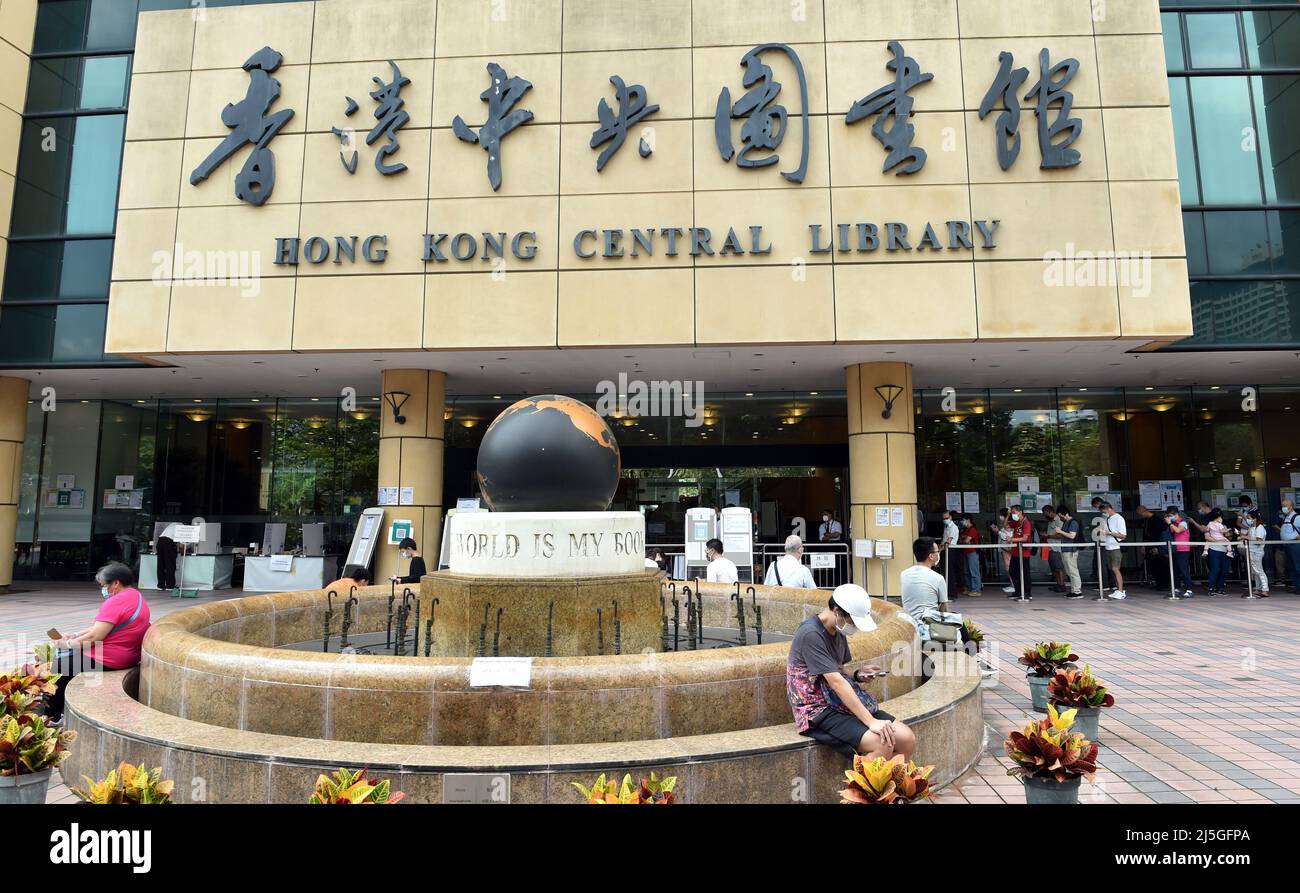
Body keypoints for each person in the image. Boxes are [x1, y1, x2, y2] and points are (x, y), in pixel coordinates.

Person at [786, 584, 917, 760]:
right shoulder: (811, 633)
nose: (853, 627)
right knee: (883, 742)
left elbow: (838, 669)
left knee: (907, 739)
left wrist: (857, 675)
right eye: (852, 621)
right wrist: (871, 722)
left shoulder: (838, 631)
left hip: (838, 703)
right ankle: (867, 787)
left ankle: (894, 785)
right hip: (817, 710)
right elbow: (836, 682)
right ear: (837, 611)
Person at [46, 563, 151, 724]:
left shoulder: (116, 602)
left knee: (61, 666)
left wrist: (66, 645)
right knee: (67, 661)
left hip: (111, 658)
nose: (102, 590)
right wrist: (74, 635)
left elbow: (96, 636)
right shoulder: (135, 596)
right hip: (128, 654)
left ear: (116, 583)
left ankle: (51, 717)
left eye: (103, 585)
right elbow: (100, 628)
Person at [900, 537, 947, 627]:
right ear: (931, 556)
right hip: (930, 626)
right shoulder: (938, 578)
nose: (938, 554)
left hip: (909, 623)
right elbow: (944, 609)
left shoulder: (904, 574)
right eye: (937, 552)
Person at [1099, 502, 1127, 600]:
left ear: (1109, 508)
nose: (1104, 513)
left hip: (1116, 547)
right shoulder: (1108, 519)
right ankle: (1118, 590)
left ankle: (1120, 591)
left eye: (1104, 511)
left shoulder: (1119, 519)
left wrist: (1109, 533)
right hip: (1108, 547)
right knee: (1112, 569)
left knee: (1115, 569)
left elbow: (1123, 535)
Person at [1055, 505, 1084, 598]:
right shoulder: (1066, 522)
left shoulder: (1073, 522)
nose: (1060, 518)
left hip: (1071, 550)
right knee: (1069, 571)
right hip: (1065, 550)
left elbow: (1072, 536)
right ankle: (1074, 590)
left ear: (1066, 514)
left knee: (1073, 571)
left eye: (1061, 516)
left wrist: (1060, 531)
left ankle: (1077, 591)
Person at [1137, 505, 1168, 591]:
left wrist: (1157, 547)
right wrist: (1143, 545)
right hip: (1149, 545)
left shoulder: (1156, 520)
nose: (1140, 516)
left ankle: (1163, 584)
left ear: (1144, 511)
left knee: (1160, 565)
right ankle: (1158, 583)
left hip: (1157, 546)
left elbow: (1160, 534)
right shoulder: (1146, 520)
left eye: (1140, 514)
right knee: (1153, 565)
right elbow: (1145, 534)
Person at [1203, 508, 1233, 596]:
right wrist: (1218, 540)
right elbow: (1207, 537)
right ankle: (1211, 588)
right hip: (1214, 550)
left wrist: (1229, 533)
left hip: (1224, 551)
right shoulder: (1210, 524)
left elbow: (1229, 537)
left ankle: (1220, 588)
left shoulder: (1223, 526)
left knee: (1224, 570)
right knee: (1215, 570)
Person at [1007, 504, 1034, 599]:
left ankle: (1027, 593)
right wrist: (1008, 515)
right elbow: (1006, 525)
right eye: (1012, 512)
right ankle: (1018, 591)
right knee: (1013, 571)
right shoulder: (1017, 522)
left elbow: (1025, 538)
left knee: (1024, 573)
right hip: (1015, 552)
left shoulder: (1026, 522)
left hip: (1024, 553)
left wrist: (1012, 539)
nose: (1013, 514)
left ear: (1020, 512)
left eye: (1014, 512)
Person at [1166, 506, 1193, 598]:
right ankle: (1176, 588)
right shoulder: (1174, 523)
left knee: (1183, 569)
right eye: (1168, 516)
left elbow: (1178, 530)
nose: (1169, 517)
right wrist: (1170, 524)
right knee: (1175, 569)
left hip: (1183, 549)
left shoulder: (1183, 522)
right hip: (1175, 549)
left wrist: (1170, 524)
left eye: (1170, 515)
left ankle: (1189, 590)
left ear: (1176, 514)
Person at [1243, 509, 1270, 598]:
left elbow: (1258, 540)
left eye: (1249, 518)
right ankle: (1258, 588)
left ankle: (1265, 589)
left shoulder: (1260, 528)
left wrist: (1245, 537)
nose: (1248, 520)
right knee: (1255, 572)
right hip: (1252, 551)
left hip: (1257, 552)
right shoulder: (1252, 527)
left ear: (1254, 519)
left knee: (1259, 571)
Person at [1276, 499, 1300, 591]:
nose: (1283, 508)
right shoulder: (1286, 517)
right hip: (1287, 545)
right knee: (1291, 567)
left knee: (1298, 567)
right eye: (1282, 506)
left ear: (1291, 506)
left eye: (1285, 505)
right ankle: (1296, 586)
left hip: (1295, 545)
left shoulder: (1296, 517)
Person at [938, 509, 962, 601]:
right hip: (945, 550)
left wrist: (939, 550)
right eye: (943, 518)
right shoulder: (946, 527)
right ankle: (947, 593)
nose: (945, 519)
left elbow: (948, 542)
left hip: (950, 550)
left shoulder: (953, 527)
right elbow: (943, 540)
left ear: (950, 517)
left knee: (950, 572)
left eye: (946, 518)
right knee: (945, 572)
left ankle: (952, 594)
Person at [1043, 504, 1066, 593]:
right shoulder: (1051, 521)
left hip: (1057, 548)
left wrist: (1048, 535)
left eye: (1045, 513)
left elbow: (1061, 535)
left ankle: (1062, 585)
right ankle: (1058, 584)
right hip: (1050, 547)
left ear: (1050, 512)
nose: (1045, 516)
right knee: (1053, 568)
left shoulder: (1059, 520)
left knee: (1059, 567)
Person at [958, 514, 982, 596]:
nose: (962, 522)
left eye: (963, 520)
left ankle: (976, 590)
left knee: (974, 571)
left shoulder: (972, 529)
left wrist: (964, 539)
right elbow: (961, 540)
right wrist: (964, 539)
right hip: (966, 552)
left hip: (972, 552)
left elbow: (966, 540)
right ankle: (969, 588)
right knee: (966, 572)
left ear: (968, 520)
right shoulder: (966, 530)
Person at [153, 521, 178, 591]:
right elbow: (182, 542)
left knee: (160, 565)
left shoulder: (172, 524)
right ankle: (170, 586)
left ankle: (160, 585)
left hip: (160, 541)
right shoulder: (181, 525)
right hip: (168, 542)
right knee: (170, 565)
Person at [995, 507, 1014, 592]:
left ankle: (1014, 585)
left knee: (1010, 567)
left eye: (1001, 515)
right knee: (1009, 567)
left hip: (1008, 549)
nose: (1000, 517)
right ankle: (1012, 584)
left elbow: (1007, 537)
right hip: (1005, 549)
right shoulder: (1007, 524)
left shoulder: (1009, 524)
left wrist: (998, 532)